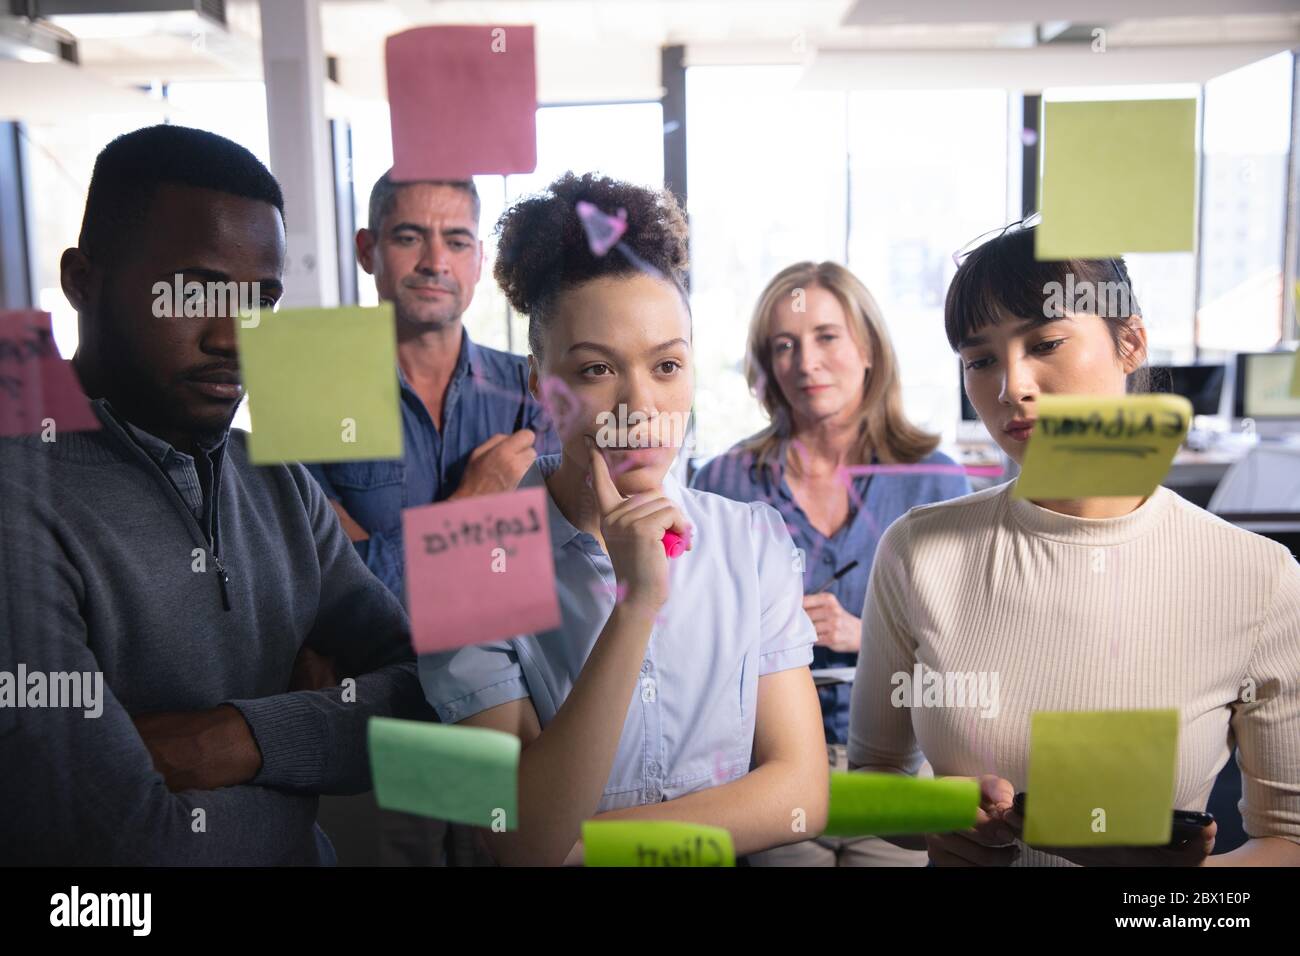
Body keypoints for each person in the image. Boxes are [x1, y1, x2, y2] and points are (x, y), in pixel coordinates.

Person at [0, 125, 430, 864]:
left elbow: (425, 706)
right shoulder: (20, 499)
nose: (234, 337)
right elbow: (126, 848)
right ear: (82, 281)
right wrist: (312, 753)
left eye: (259, 299)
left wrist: (227, 740)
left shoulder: (278, 481)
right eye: (193, 291)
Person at [849, 220, 1300, 866]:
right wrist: (931, 817)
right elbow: (874, 774)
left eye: (1046, 342)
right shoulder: (920, 552)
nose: (1012, 387)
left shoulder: (1259, 578)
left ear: (1131, 342)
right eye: (980, 360)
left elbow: (1287, 839)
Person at [418, 172, 829, 866]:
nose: (638, 405)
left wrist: (596, 845)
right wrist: (636, 604)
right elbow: (525, 841)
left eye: (667, 365)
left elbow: (801, 793)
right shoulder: (467, 562)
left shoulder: (748, 542)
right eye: (596, 370)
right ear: (537, 383)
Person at [692, 261, 970, 866]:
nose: (805, 361)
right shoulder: (722, 482)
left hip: (898, 770)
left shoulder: (938, 481)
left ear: (868, 348)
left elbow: (980, 647)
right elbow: (686, 639)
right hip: (763, 773)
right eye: (783, 345)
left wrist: (868, 638)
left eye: (826, 336)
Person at [307, 170, 559, 601]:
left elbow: (549, 573)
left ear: (479, 260)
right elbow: (330, 588)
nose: (435, 262)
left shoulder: (533, 391)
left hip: (508, 668)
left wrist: (381, 558)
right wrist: (472, 507)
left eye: (457, 242)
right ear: (367, 251)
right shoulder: (308, 398)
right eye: (409, 237)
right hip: (378, 667)